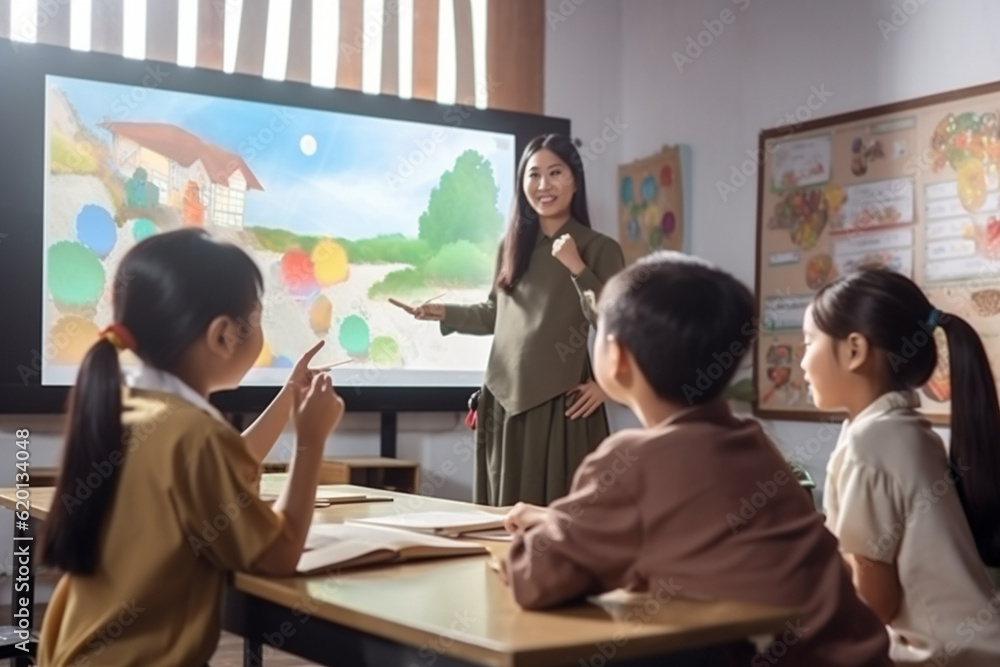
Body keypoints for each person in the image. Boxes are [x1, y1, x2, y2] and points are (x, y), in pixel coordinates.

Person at [500, 252, 892, 667]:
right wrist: (573, 525)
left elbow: (535, 578)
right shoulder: (751, 443)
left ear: (615, 357)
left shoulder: (633, 460)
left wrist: (555, 530)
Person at [38, 229, 345, 667]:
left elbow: (215, 467)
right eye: (256, 320)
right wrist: (311, 443)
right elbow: (279, 555)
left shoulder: (130, 404)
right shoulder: (192, 435)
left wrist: (287, 401)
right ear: (223, 335)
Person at [409, 134, 624, 506]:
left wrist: (606, 387)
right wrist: (443, 312)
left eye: (555, 173)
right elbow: (496, 314)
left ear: (575, 179)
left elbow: (616, 324)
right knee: (499, 523)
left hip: (561, 406)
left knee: (557, 523)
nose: (543, 185)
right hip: (501, 404)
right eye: (533, 174)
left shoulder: (599, 248)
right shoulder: (509, 248)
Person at [800, 267, 1000, 666]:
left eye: (809, 342)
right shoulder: (907, 431)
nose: (803, 362)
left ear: (854, 350)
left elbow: (876, 604)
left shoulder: (869, 443)